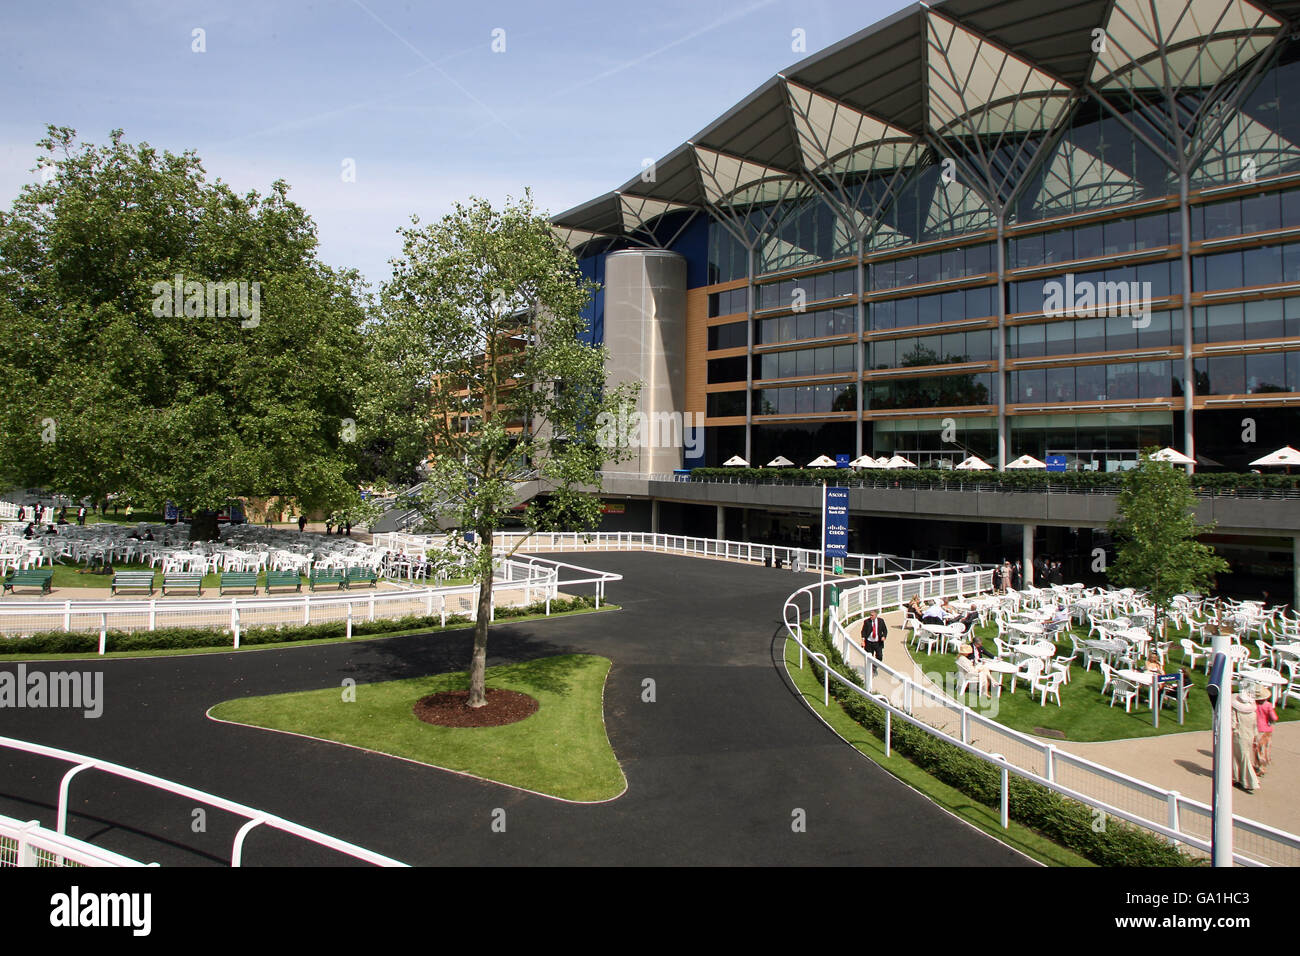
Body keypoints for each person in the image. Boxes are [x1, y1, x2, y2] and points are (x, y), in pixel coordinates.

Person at [1232, 690, 1261, 792]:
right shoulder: (1252, 712)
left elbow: (1233, 724)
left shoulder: (1235, 712)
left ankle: (1250, 781)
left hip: (1239, 736)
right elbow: (1255, 726)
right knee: (1242, 757)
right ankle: (1237, 778)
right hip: (1249, 736)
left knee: (1240, 758)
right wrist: (1255, 738)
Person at [1256, 685, 1278, 774]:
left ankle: (1260, 766)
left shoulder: (1255, 705)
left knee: (1258, 749)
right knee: (1266, 748)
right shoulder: (1268, 705)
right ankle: (1264, 765)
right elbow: (1274, 717)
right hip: (1267, 730)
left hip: (1258, 729)